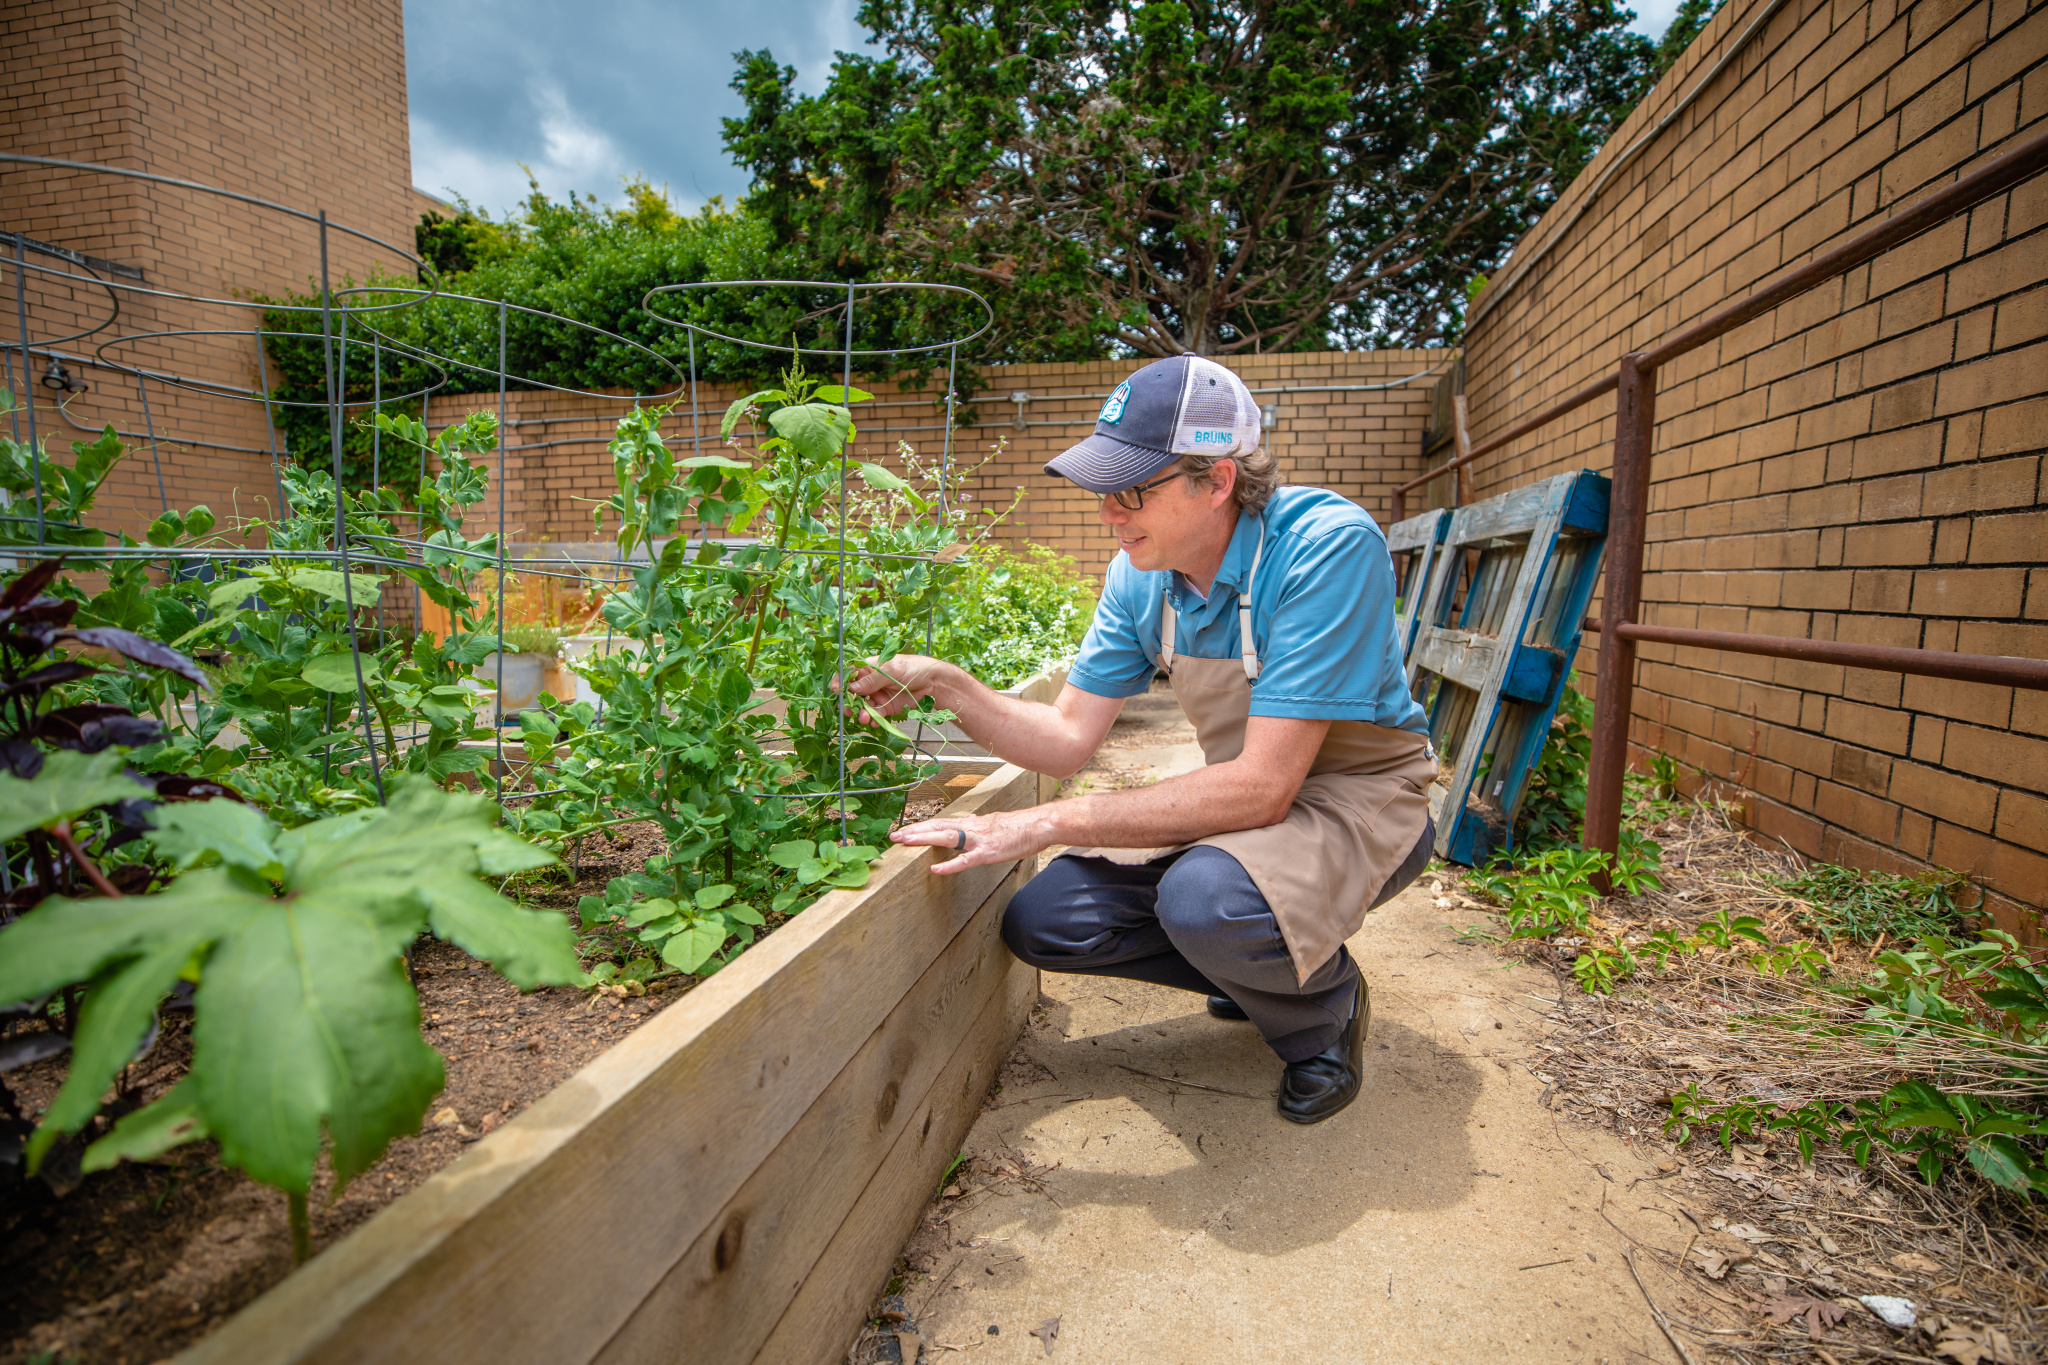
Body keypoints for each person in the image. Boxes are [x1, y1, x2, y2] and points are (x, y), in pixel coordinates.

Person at [843, 354, 1436, 1124]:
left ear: (1217, 480)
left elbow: (1264, 786)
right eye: (1103, 491)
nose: (1108, 514)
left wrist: (1042, 822)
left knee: (1204, 904)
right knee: (1046, 920)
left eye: (1131, 491)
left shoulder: (1324, 548)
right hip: (1251, 812)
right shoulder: (1143, 577)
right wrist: (948, 686)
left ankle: (1323, 1007)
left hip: (1362, 803)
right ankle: (1255, 963)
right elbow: (1063, 737)